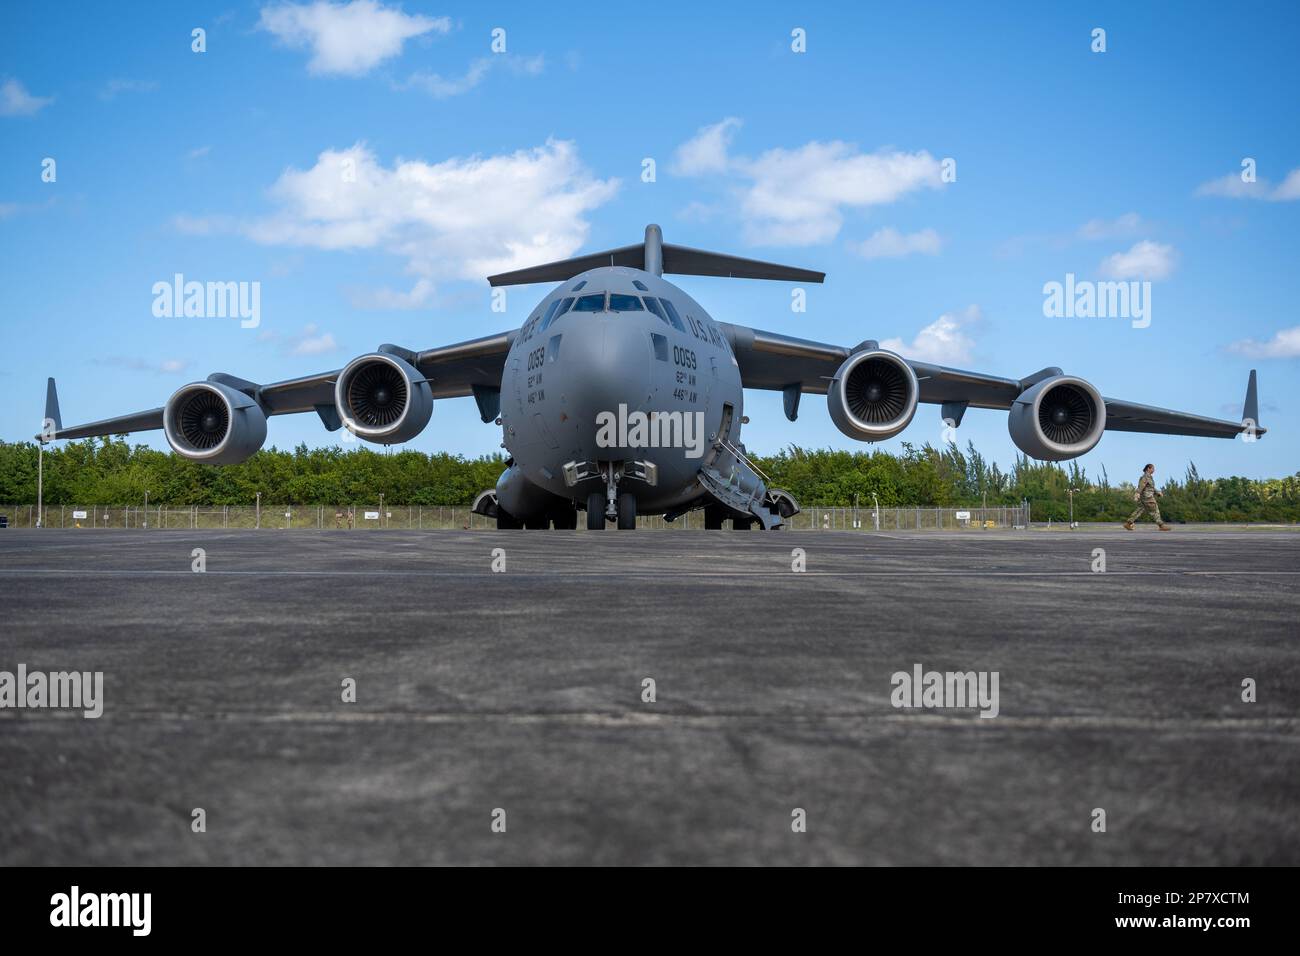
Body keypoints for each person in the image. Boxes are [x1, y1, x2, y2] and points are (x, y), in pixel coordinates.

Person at [1124, 463, 1170, 531]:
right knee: (1155, 510)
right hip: (1147, 497)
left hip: (1146, 497)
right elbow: (1141, 486)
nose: (1154, 470)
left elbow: (1151, 488)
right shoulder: (1145, 477)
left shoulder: (1149, 477)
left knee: (1140, 510)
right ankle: (1161, 525)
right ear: (1148, 468)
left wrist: (1158, 493)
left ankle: (1128, 523)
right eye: (1153, 468)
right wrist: (1137, 494)